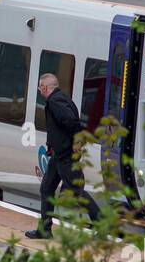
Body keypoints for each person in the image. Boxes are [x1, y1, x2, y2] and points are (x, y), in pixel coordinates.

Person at [25, 72, 102, 240]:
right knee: (46, 188)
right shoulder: (63, 98)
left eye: (40, 88)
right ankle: (44, 229)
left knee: (76, 192)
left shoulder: (55, 102)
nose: (40, 91)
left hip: (66, 155)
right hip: (58, 155)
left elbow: (72, 123)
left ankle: (102, 225)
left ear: (45, 87)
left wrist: (77, 141)